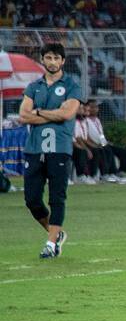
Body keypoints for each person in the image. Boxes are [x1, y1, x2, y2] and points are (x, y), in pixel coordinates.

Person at [17, 42, 84, 259]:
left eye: (56, 58)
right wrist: (52, 112)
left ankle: (50, 244)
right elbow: (23, 115)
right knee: (32, 199)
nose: (52, 62)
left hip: (60, 148)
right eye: (48, 58)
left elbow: (67, 114)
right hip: (35, 149)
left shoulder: (72, 85)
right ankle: (55, 233)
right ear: (42, 60)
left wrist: (38, 111)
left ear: (63, 61)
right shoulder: (33, 86)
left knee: (57, 197)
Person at [82, 100, 126, 179]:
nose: (94, 109)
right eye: (92, 107)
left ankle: (121, 172)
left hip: (102, 143)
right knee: (107, 150)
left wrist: (105, 143)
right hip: (93, 145)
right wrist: (97, 144)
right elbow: (86, 136)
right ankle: (108, 173)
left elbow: (101, 134)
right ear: (87, 108)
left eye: (96, 107)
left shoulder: (97, 120)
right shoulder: (86, 120)